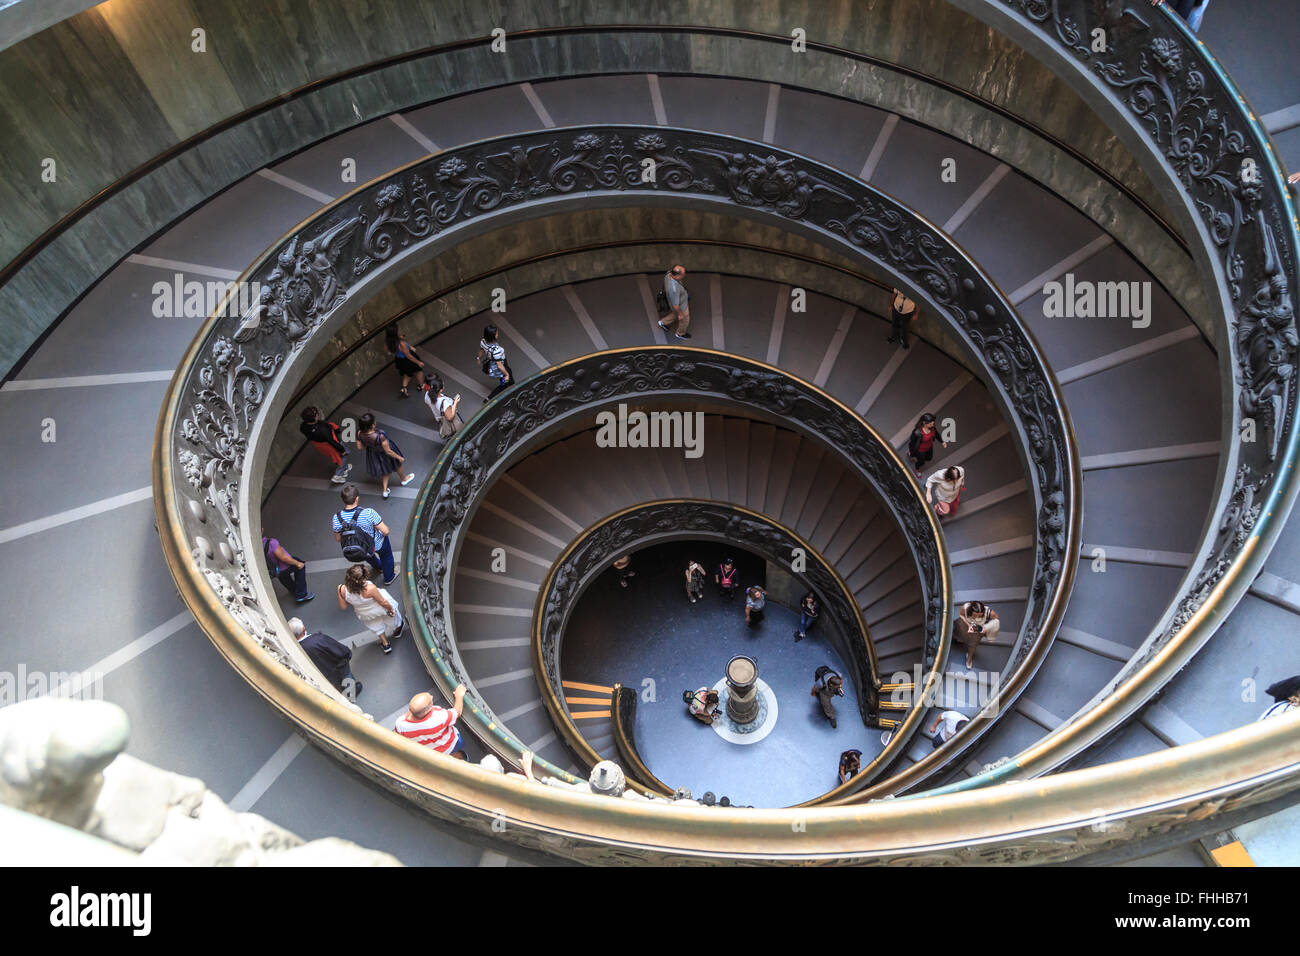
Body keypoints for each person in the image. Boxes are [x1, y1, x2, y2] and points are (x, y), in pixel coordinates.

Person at [332, 484, 397, 585]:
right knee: (386, 556)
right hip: (377, 543)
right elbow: (385, 531)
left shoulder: (337, 518)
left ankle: (379, 567)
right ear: (357, 499)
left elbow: (337, 538)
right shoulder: (368, 513)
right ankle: (389, 577)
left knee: (369, 556)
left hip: (361, 547)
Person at [337, 563, 404, 654]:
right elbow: (382, 602)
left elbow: (343, 606)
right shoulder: (369, 589)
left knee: (375, 625)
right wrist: (390, 608)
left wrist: (354, 600)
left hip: (364, 612)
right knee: (392, 620)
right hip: (379, 609)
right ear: (363, 578)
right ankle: (397, 632)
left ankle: (385, 644)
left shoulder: (342, 589)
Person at [287, 617, 360, 699]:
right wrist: (347, 653)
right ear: (303, 629)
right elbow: (336, 648)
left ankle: (340, 696)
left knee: (334, 684)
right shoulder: (318, 639)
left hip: (322, 673)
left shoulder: (295, 649)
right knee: (347, 678)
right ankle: (351, 694)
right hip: (338, 667)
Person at [395, 687, 467, 759]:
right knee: (454, 750)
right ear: (425, 712)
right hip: (448, 744)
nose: (432, 696)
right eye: (430, 701)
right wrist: (459, 695)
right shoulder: (438, 718)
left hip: (430, 752)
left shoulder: (400, 724)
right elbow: (457, 712)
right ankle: (460, 757)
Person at [356, 412, 414, 499]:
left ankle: (385, 490)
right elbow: (388, 451)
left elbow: (360, 447)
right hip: (385, 454)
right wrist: (399, 457)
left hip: (373, 454)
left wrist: (370, 446)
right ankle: (404, 479)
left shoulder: (359, 433)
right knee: (397, 464)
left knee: (385, 471)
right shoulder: (380, 436)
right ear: (372, 425)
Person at [298, 406, 352, 483]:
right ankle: (338, 475)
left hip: (321, 446)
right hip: (330, 445)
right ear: (314, 418)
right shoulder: (322, 429)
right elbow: (332, 441)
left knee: (335, 456)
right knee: (343, 456)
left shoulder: (303, 427)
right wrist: (342, 449)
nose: (317, 415)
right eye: (316, 414)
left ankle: (345, 468)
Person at [262, 534, 314, 603]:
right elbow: (284, 558)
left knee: (283, 577)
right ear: (261, 530)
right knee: (300, 566)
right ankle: (301, 594)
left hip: (275, 569)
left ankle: (293, 590)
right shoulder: (271, 542)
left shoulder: (255, 548)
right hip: (285, 565)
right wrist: (297, 563)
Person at [954, 600, 1001, 669]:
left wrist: (986, 628)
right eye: (974, 615)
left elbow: (996, 620)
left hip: (978, 630)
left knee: (973, 645)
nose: (977, 617)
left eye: (980, 615)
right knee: (958, 633)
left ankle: (969, 658)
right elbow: (961, 615)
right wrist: (969, 625)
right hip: (964, 624)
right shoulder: (965, 608)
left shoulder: (990, 613)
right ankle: (959, 639)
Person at [385, 326, 426, 398]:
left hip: (399, 360)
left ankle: (404, 389)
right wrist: (418, 362)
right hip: (407, 360)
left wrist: (400, 338)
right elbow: (408, 356)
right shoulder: (401, 344)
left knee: (407, 374)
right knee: (419, 371)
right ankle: (421, 385)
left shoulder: (388, 341)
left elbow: (388, 351)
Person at [478, 325, 513, 397]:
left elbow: (481, 350)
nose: (498, 334)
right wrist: (506, 374)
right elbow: (500, 366)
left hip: (491, 362)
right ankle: (491, 397)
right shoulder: (497, 350)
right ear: (493, 336)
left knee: (506, 378)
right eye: (496, 333)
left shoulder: (483, 342)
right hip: (500, 363)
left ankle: (509, 385)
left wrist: (478, 358)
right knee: (507, 378)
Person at [659, 265, 692, 339]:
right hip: (680, 303)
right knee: (685, 318)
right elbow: (675, 305)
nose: (684, 275)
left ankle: (663, 322)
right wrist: (680, 314)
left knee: (675, 314)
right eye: (683, 274)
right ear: (677, 275)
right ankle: (680, 333)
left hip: (674, 299)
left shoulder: (668, 274)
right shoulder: (674, 289)